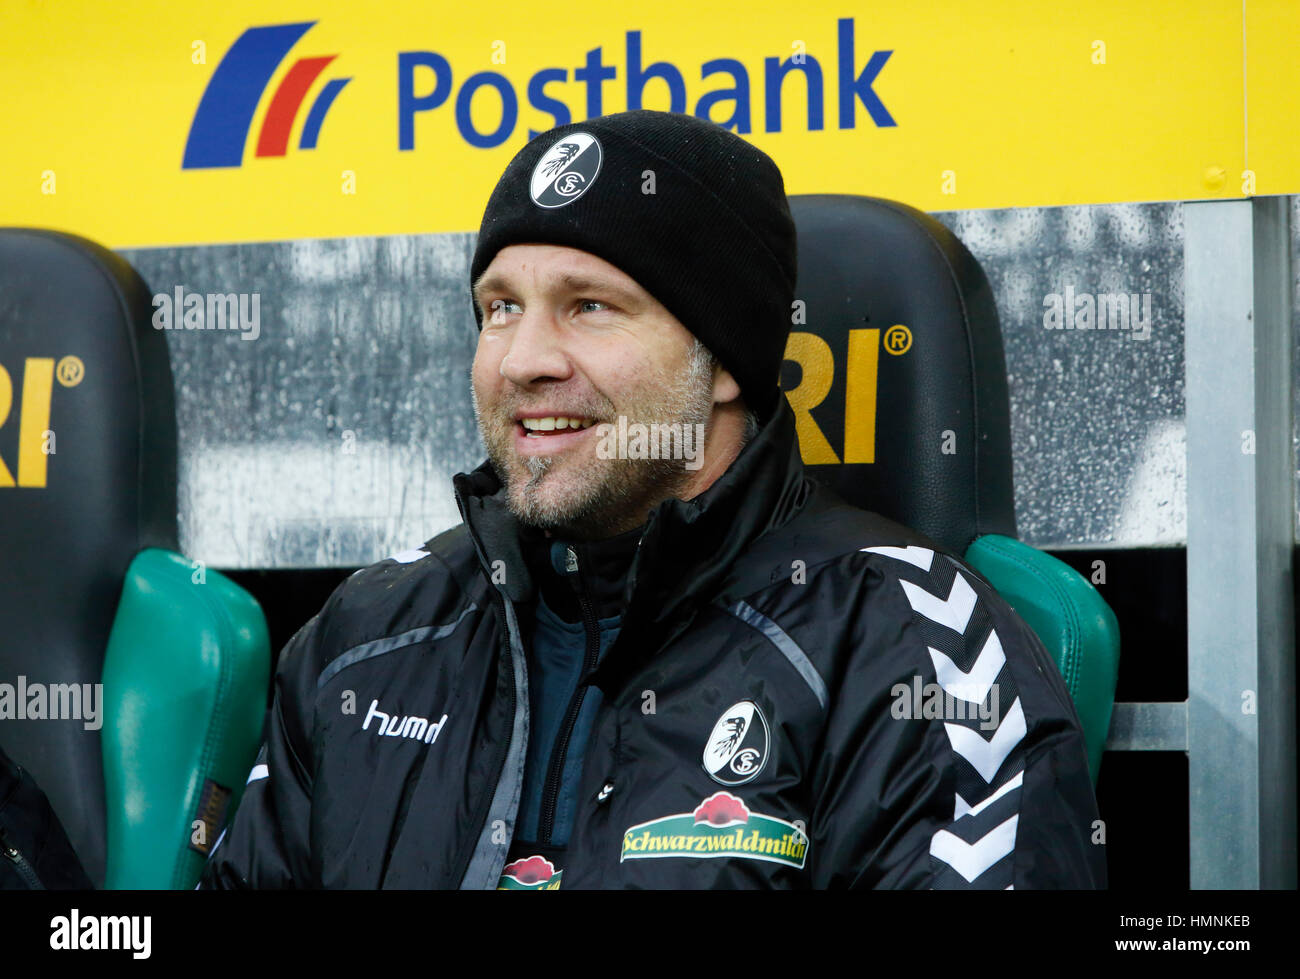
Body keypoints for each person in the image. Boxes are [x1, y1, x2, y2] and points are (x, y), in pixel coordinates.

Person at [200, 109, 1104, 889]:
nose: (523, 360)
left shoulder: (911, 646)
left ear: (721, 364)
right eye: (500, 307)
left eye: (589, 305)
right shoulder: (366, 640)